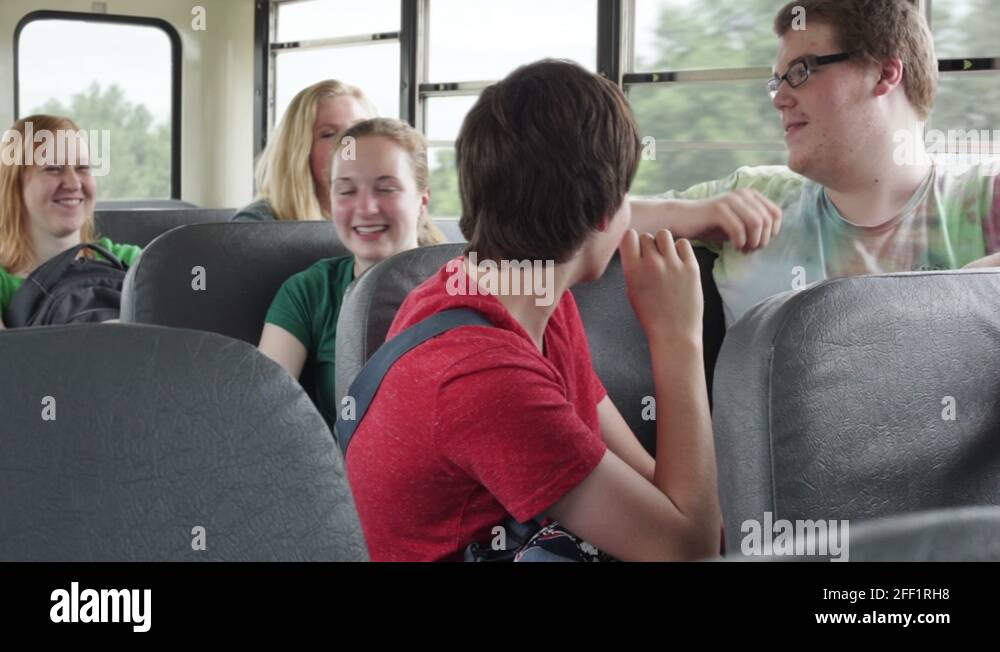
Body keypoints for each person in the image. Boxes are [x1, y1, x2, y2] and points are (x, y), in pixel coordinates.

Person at [345, 60, 721, 562]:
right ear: (600, 214)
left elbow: (665, 502)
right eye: (626, 192)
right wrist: (678, 338)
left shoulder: (529, 304)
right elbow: (690, 549)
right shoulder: (482, 378)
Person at [631, 0, 1000, 326]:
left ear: (884, 73)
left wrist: (966, 291)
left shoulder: (984, 199)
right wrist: (684, 213)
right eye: (778, 82)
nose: (780, 99)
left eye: (800, 72)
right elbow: (589, 223)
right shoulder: (749, 199)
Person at [258, 118, 445, 429]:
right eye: (346, 191)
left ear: (422, 199)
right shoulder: (309, 292)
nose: (366, 207)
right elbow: (263, 415)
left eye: (386, 188)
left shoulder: (466, 287)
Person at [0, 115, 141, 329]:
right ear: (14, 186)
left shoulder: (135, 262)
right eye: (53, 168)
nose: (73, 182)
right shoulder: (4, 283)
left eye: (83, 167)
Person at [233, 79, 375, 222]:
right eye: (328, 135)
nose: (348, 146)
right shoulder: (257, 223)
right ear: (299, 151)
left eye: (359, 130)